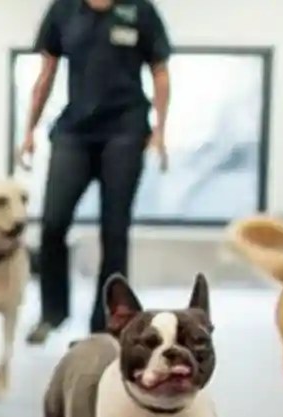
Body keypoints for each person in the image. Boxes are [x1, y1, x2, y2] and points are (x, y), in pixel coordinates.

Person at [17, 0, 171, 343]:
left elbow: (160, 72)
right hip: (75, 130)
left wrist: (160, 130)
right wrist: (29, 130)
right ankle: (52, 313)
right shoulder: (64, 10)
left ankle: (106, 325)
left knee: (114, 231)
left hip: (125, 129)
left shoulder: (140, 10)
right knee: (53, 222)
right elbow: (46, 73)